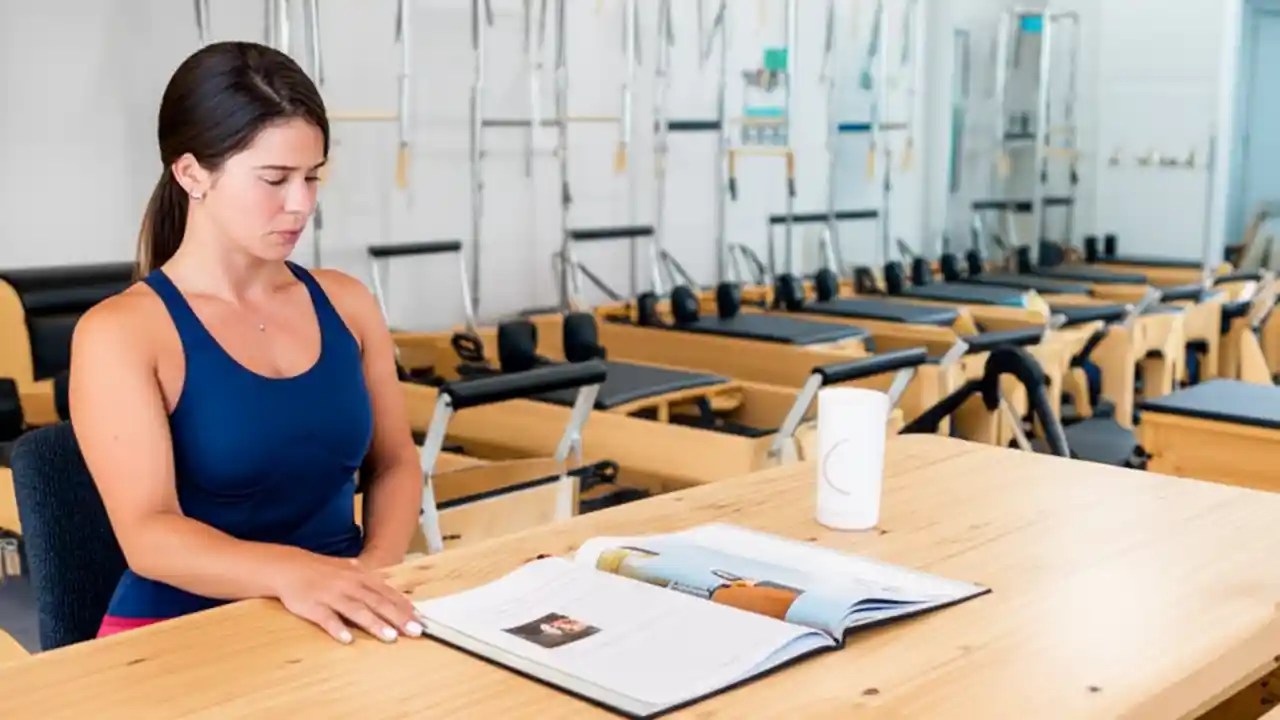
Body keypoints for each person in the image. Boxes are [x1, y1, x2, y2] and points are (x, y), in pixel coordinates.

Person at [69, 41, 424, 645]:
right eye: (274, 179)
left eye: (311, 177)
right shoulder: (121, 334)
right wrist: (299, 576)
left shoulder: (348, 303)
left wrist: (373, 572)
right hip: (180, 634)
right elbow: (149, 533)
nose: (301, 203)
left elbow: (394, 464)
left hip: (341, 613)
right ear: (191, 174)